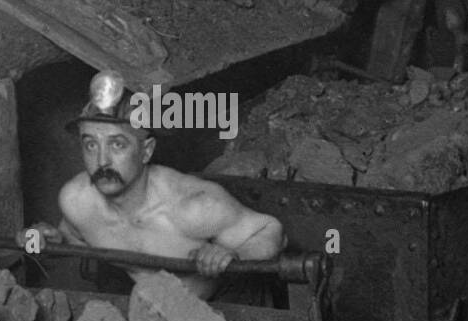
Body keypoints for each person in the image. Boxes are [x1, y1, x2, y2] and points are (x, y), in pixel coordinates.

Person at [27, 71, 286, 300]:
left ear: (146, 151)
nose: (102, 160)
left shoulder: (194, 207)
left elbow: (271, 230)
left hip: (227, 303)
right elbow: (73, 235)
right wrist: (50, 239)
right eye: (91, 144)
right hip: (154, 311)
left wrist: (233, 255)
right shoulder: (78, 200)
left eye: (117, 144)